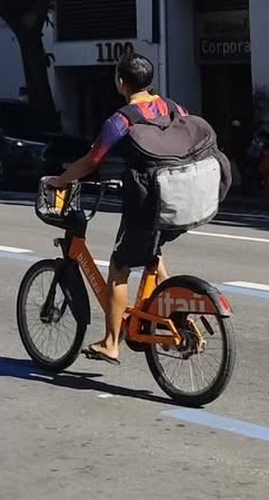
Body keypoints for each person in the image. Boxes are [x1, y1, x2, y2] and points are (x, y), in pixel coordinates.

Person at [43, 52, 199, 366]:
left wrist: (61, 180)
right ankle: (179, 318)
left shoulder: (123, 119)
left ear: (120, 82)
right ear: (150, 81)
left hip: (148, 200)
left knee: (120, 267)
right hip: (184, 196)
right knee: (153, 253)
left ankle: (112, 342)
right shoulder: (173, 108)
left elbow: (92, 160)